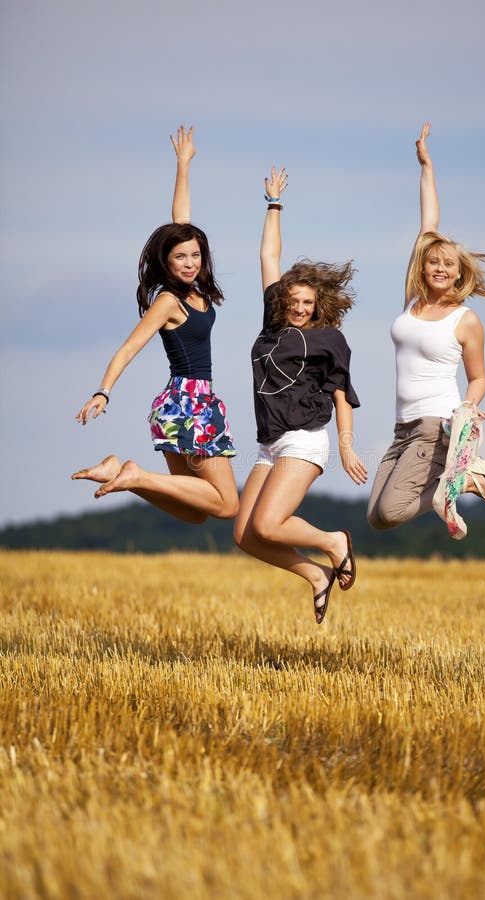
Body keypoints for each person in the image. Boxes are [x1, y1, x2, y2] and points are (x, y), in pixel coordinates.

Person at [72, 126, 239, 525]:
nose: (189, 262)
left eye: (195, 255)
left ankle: (123, 474)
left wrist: (183, 164)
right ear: (166, 263)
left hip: (181, 407)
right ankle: (137, 474)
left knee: (196, 513)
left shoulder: (194, 287)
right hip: (189, 404)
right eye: (180, 257)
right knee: (227, 504)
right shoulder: (168, 301)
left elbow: (180, 221)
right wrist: (103, 392)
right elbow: (129, 347)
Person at [233, 166, 367, 624]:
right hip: (269, 441)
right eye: (293, 300)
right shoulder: (273, 324)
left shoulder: (329, 340)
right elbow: (269, 256)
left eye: (307, 303)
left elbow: (341, 393)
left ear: (317, 305)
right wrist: (273, 205)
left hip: (304, 438)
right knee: (246, 535)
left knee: (269, 525)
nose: (298, 307)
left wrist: (346, 446)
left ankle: (334, 542)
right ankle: (314, 574)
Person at [367, 122, 485, 533]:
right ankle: (458, 480)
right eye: (434, 262)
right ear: (424, 267)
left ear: (459, 271)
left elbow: (479, 377)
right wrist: (426, 166)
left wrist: (468, 405)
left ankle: (464, 477)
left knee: (393, 511)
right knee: (377, 517)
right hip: (402, 425)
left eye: (449, 264)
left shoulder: (465, 320)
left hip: (435, 425)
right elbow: (428, 225)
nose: (440, 268)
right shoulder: (412, 300)